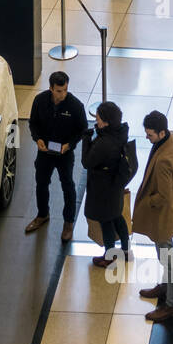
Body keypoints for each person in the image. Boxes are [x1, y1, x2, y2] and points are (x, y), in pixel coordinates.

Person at [133, 110, 173, 323]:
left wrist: (147, 202)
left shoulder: (163, 161)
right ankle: (165, 287)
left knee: (168, 259)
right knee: (165, 256)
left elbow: (162, 196)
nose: (147, 137)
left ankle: (172, 305)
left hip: (162, 216)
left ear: (161, 132)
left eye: (150, 135)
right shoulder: (172, 137)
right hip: (167, 213)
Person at [25, 71, 89, 243]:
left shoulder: (75, 106)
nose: (63, 94)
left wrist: (70, 145)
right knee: (41, 183)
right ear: (51, 88)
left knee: (68, 186)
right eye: (59, 91)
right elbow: (33, 123)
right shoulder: (39, 101)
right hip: (45, 151)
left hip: (64, 154)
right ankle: (42, 214)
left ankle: (68, 222)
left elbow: (82, 129)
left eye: (65, 90)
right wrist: (37, 139)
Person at [81, 102, 131, 269]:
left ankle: (109, 256)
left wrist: (86, 139)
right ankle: (125, 249)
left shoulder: (105, 143)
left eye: (99, 118)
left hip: (103, 188)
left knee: (106, 220)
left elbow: (87, 162)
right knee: (117, 215)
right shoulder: (120, 133)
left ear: (107, 121)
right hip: (115, 184)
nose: (97, 121)